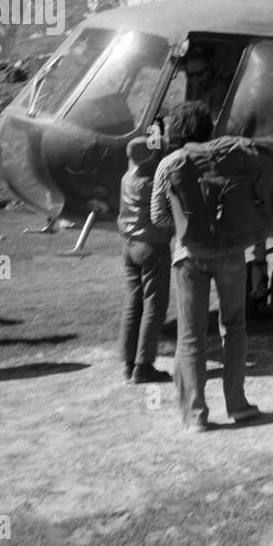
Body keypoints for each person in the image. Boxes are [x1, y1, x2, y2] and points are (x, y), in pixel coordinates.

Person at [150, 102, 260, 432]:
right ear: (207, 128)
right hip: (231, 252)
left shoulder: (169, 164)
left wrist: (186, 222)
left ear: (177, 130)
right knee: (235, 327)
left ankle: (196, 414)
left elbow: (158, 217)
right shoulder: (228, 156)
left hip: (189, 255)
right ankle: (238, 404)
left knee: (191, 335)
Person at [117, 135, 172, 384]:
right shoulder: (153, 183)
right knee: (154, 306)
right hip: (152, 246)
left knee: (133, 303)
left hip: (129, 246)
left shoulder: (127, 179)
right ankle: (144, 365)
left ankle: (129, 363)